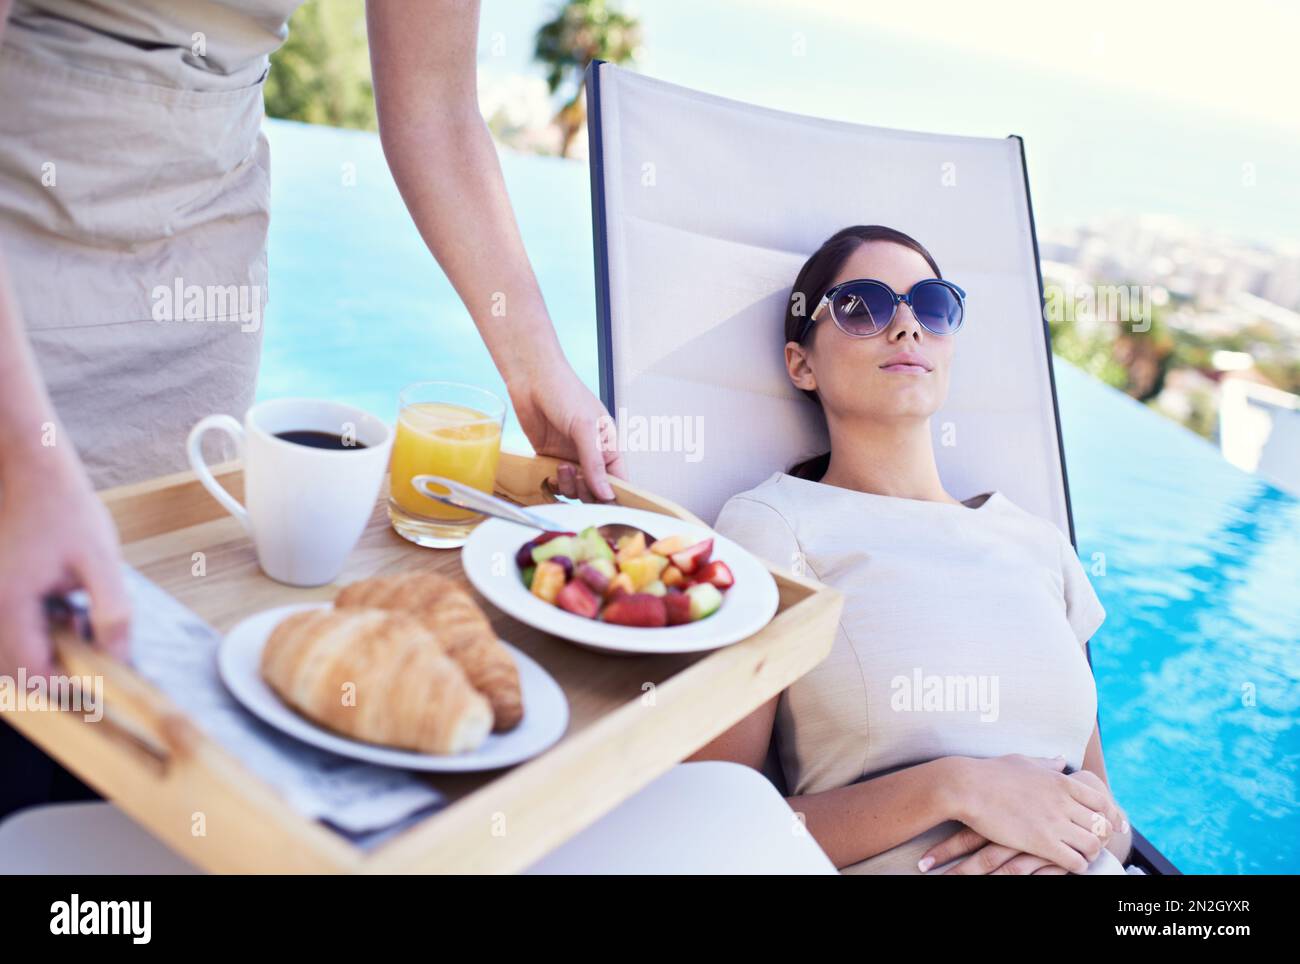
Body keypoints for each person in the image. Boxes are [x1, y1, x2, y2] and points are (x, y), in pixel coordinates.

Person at [0, 0, 622, 819]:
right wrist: (20, 465)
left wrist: (540, 370)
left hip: (198, 282)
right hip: (22, 271)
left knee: (132, 718)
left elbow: (434, 105)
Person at [692, 225, 1133, 874]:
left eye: (932, 306)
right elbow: (714, 825)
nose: (906, 327)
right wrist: (953, 787)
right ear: (801, 364)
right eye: (864, 307)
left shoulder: (1038, 543)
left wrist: (1094, 826)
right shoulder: (774, 526)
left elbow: (1115, 825)